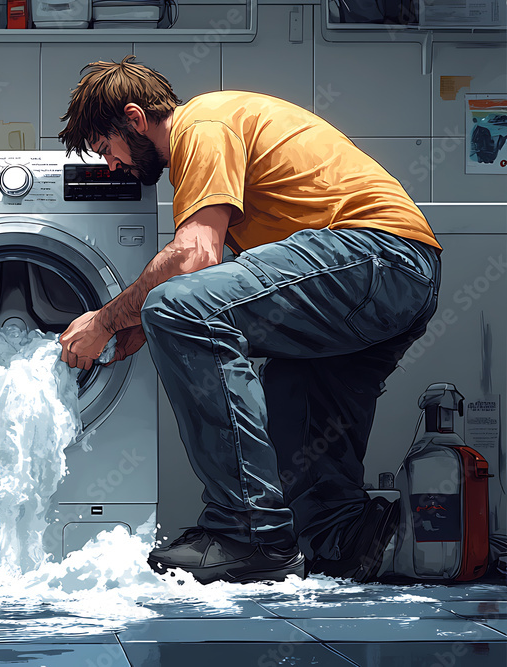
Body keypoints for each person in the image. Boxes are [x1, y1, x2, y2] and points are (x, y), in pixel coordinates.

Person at [57, 55, 441, 585]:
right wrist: (141, 325)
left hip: (374, 256)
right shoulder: (218, 133)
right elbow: (231, 279)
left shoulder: (201, 126)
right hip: (394, 277)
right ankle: (347, 543)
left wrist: (104, 320)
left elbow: (195, 258)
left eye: (106, 148)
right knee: (295, 395)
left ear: (135, 118)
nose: (111, 166)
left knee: (176, 307)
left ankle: (247, 530)